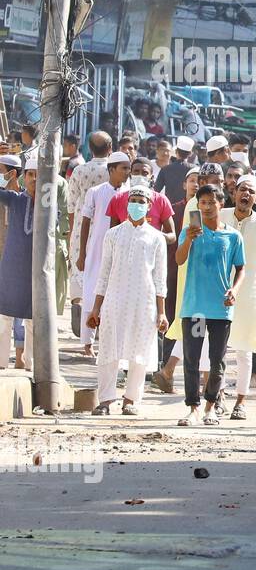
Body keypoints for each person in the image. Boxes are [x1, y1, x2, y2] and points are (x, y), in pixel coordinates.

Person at [85, 184, 168, 416]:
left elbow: (160, 278)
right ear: (126, 204)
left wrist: (161, 312)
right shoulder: (113, 235)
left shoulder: (156, 238)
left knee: (139, 351)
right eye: (133, 200)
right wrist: (95, 308)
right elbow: (104, 273)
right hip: (114, 299)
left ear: (149, 206)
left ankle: (131, 399)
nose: (137, 205)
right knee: (109, 349)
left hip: (145, 301)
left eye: (142, 201)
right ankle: (105, 400)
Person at [175, 185, 246, 427]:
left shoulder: (233, 236)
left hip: (221, 309)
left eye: (210, 203)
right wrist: (190, 240)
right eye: (202, 203)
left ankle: (210, 407)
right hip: (194, 307)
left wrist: (234, 290)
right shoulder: (189, 231)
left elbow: (241, 268)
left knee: (218, 361)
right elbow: (179, 259)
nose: (206, 207)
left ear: (220, 204)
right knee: (191, 359)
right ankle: (192, 408)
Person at [220, 177, 256, 422]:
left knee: (244, 351)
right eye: (242, 189)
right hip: (218, 291)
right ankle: (216, 396)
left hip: (250, 294)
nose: (245, 194)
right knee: (216, 349)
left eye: (251, 192)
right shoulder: (221, 216)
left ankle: (240, 401)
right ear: (234, 193)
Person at [77, 151, 132, 355]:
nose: (127, 172)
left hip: (122, 252)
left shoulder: (132, 194)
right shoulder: (96, 191)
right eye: (123, 168)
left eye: (129, 168)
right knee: (91, 294)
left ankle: (110, 345)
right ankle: (87, 343)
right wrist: (82, 254)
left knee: (115, 297)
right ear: (111, 170)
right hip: (97, 250)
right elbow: (85, 222)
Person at [67, 131, 113, 337]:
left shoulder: (79, 170)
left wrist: (72, 232)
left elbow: (70, 204)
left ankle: (79, 305)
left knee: (80, 272)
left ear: (89, 149)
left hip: (80, 230)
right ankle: (98, 318)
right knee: (103, 274)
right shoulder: (114, 172)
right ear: (110, 148)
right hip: (107, 230)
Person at [0, 156, 38, 367]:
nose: (34, 180)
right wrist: (6, 178)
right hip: (11, 267)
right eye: (30, 175)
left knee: (32, 319)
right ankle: (1, 363)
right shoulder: (15, 199)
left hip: (36, 270)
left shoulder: (48, 207)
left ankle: (31, 364)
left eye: (38, 176)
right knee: (4, 316)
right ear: (24, 177)